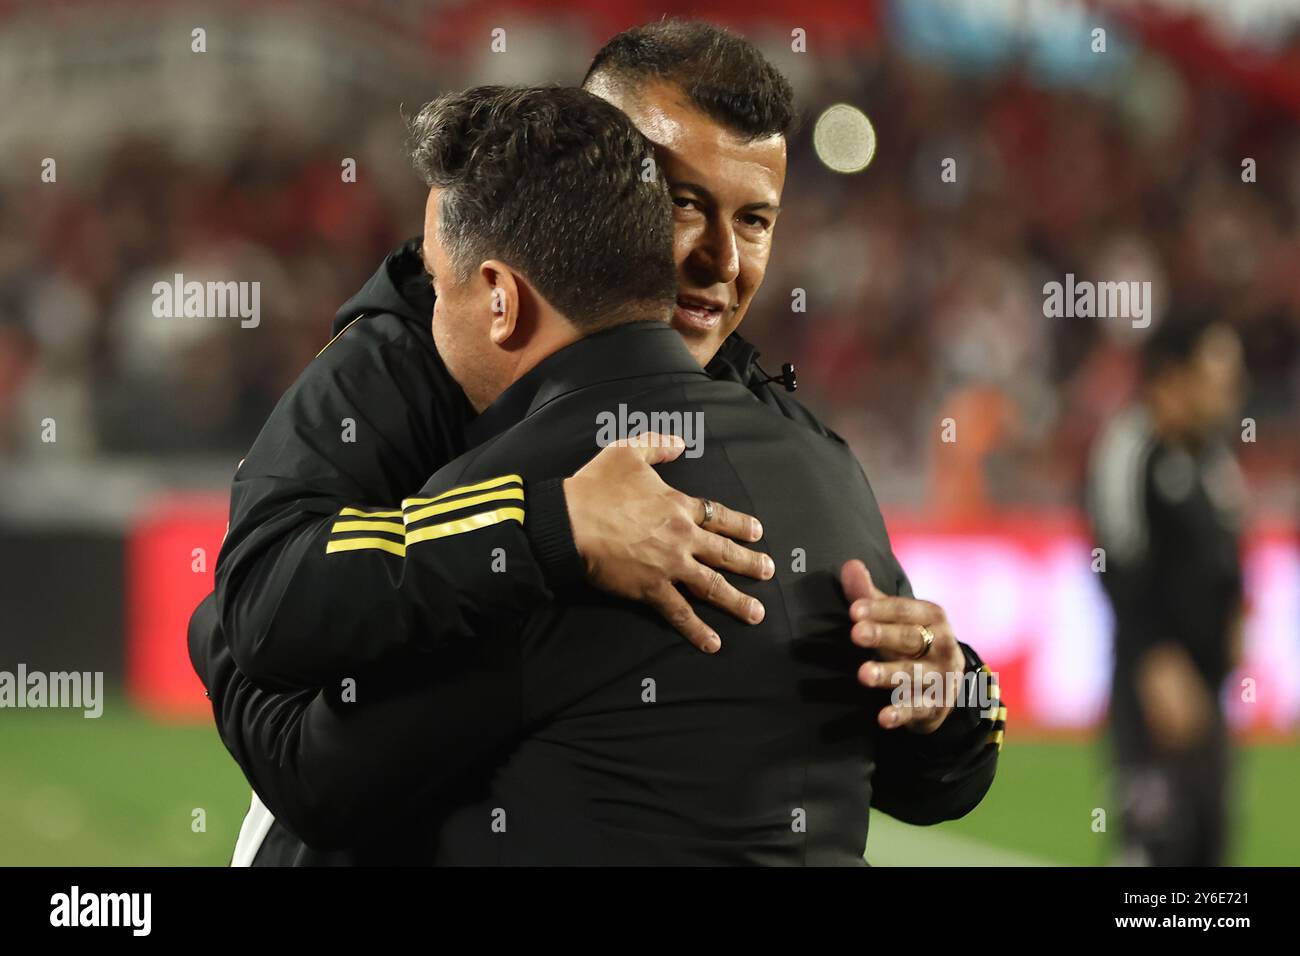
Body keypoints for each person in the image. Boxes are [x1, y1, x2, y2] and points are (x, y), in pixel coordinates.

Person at [191, 20, 1003, 865]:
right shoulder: (412, 354)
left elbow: (911, 767)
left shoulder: (786, 431)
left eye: (755, 219)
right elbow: (270, 609)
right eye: (683, 204)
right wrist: (547, 523)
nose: (722, 260)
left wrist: (952, 702)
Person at [1087, 311, 1247, 866]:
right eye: (1217, 375)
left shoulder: (1213, 458)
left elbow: (1226, 557)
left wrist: (1235, 620)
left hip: (1209, 689)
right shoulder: (1130, 448)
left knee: (1208, 853)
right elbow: (1116, 559)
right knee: (1153, 852)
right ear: (1172, 379)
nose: (1231, 390)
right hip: (1152, 689)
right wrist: (1155, 658)